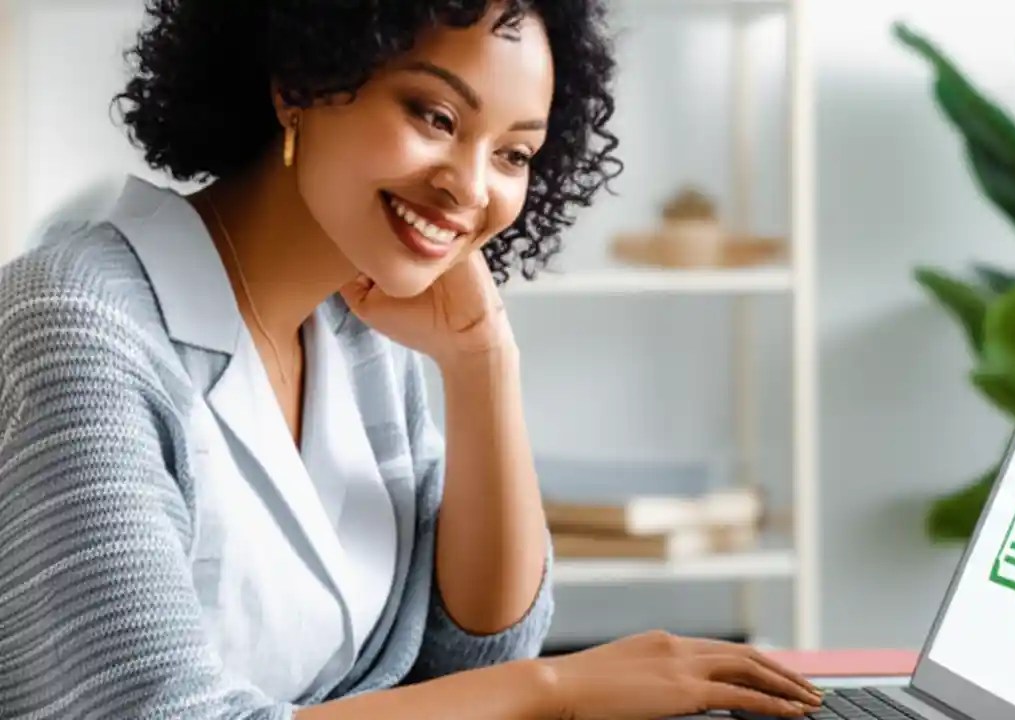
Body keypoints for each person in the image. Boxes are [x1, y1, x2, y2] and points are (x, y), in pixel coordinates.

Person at [0, 1, 825, 718]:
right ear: (301, 83)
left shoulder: (357, 331)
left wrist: (482, 361)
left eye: (514, 153)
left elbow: (473, 663)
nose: (471, 187)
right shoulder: (80, 328)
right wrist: (559, 690)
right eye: (435, 115)